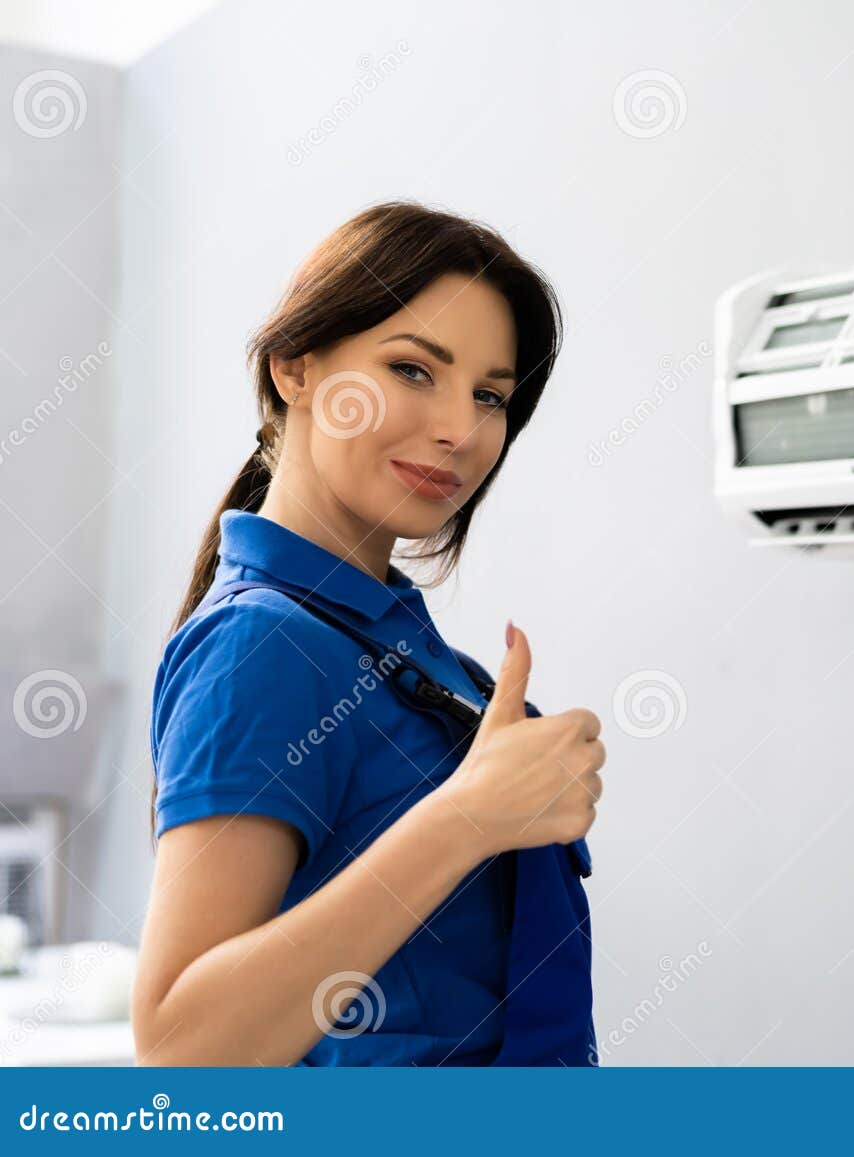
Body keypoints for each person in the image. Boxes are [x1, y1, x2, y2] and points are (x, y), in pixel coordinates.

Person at [131, 202, 604, 1066]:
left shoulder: (404, 654)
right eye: (414, 370)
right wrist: (466, 819)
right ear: (294, 367)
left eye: (491, 395)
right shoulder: (262, 645)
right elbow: (182, 1050)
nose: (461, 429)